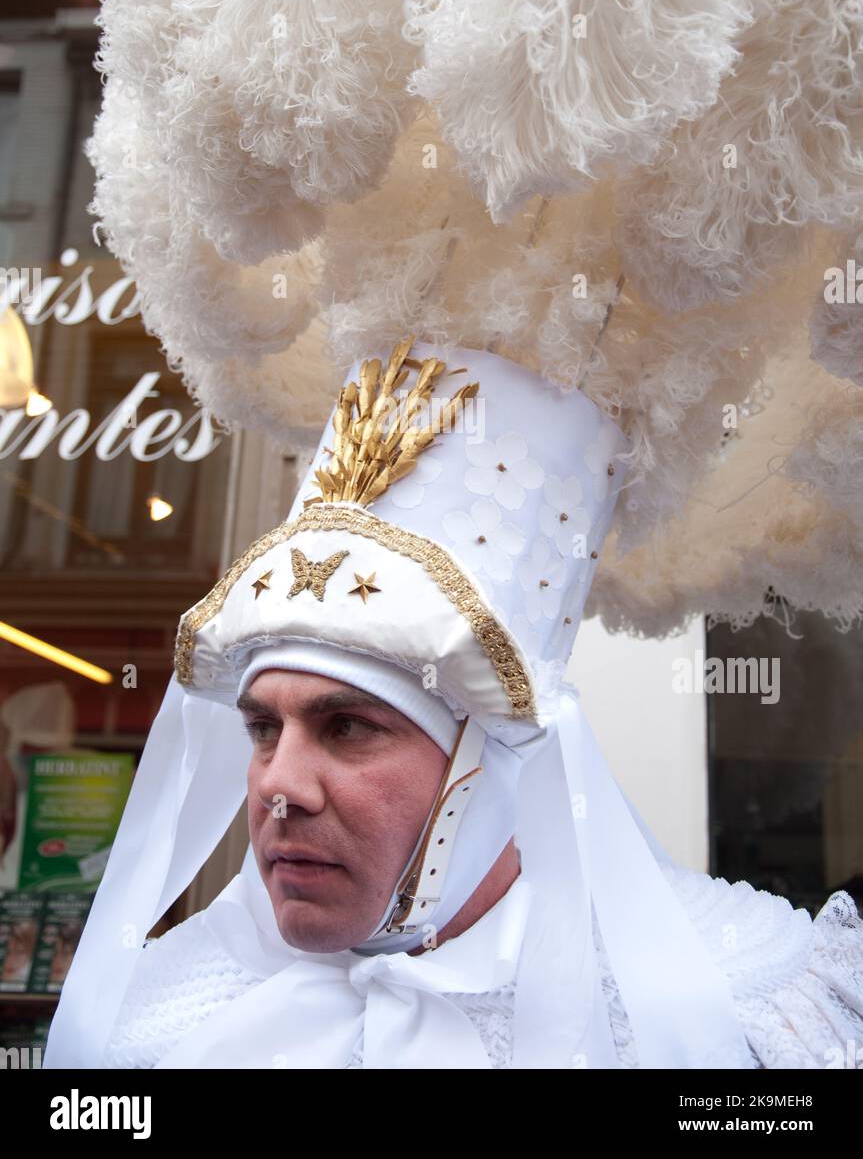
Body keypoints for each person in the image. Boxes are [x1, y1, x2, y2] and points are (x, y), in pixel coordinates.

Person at [45, 337, 863, 1069]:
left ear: (494, 760)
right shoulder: (155, 1022)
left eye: (348, 726)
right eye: (263, 727)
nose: (276, 786)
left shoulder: (745, 1014)